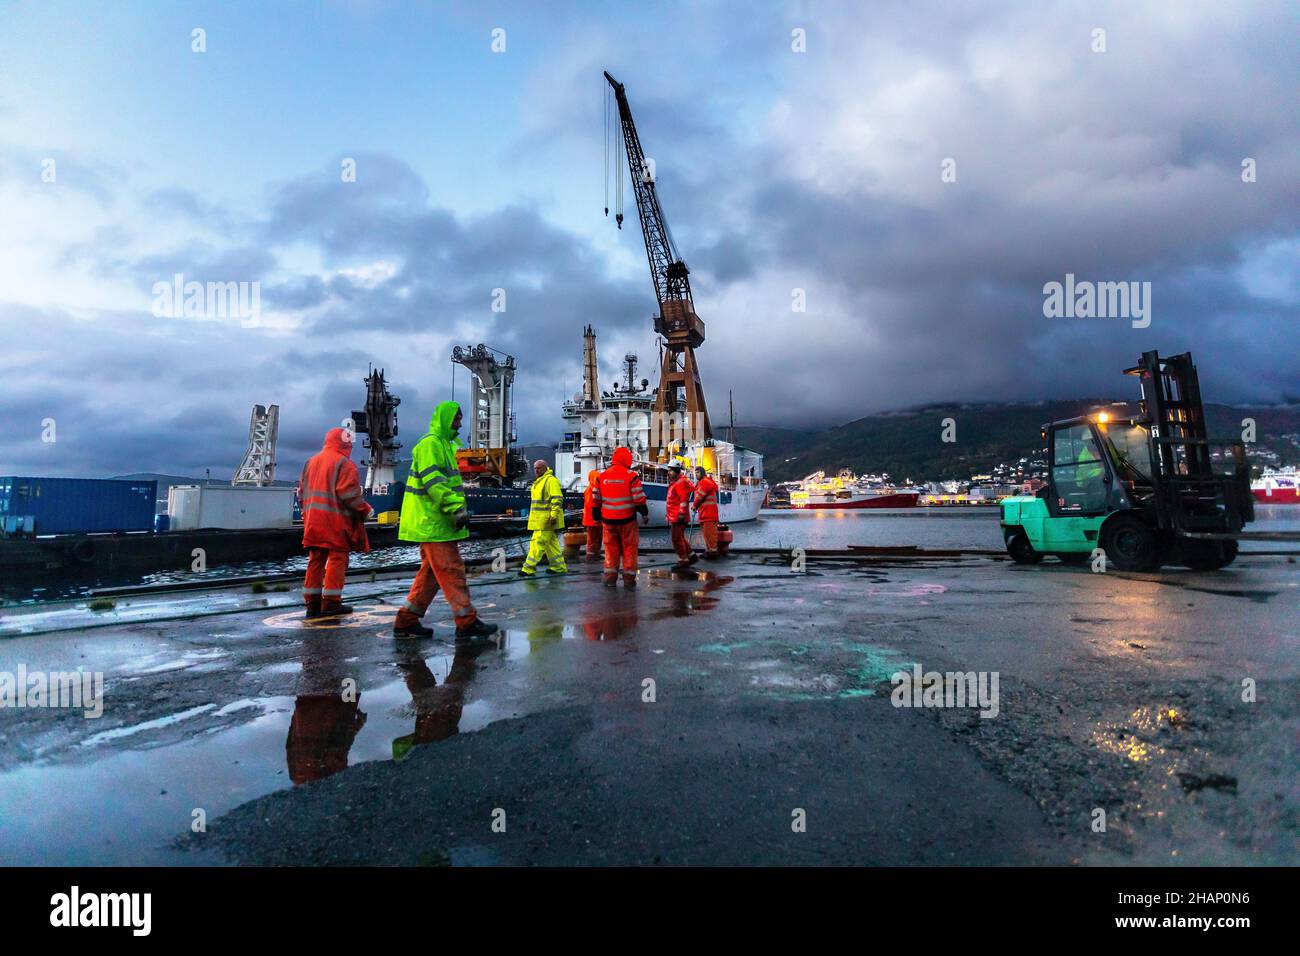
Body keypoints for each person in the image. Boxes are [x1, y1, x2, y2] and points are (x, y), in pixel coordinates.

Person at [392, 401, 498, 642]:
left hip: (437, 522)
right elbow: (434, 484)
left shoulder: (444, 446)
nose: (459, 424)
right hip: (434, 522)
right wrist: (455, 509)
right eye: (456, 419)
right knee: (452, 570)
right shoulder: (430, 445)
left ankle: (406, 621)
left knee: (430, 575)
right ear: (445, 419)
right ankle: (466, 622)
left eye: (460, 419)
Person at [299, 427, 373, 618]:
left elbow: (301, 493)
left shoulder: (310, 462)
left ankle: (312, 605)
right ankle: (331, 603)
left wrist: (305, 513)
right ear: (345, 443)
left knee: (315, 559)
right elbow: (349, 495)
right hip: (334, 522)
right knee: (337, 558)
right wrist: (366, 511)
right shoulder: (344, 464)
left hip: (312, 521)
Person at [592, 446, 648, 588]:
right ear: (627, 459)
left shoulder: (602, 476)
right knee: (629, 549)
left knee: (610, 550)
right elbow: (639, 498)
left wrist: (596, 515)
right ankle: (629, 580)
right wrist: (644, 514)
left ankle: (610, 578)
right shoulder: (631, 476)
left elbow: (595, 499)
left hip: (608, 521)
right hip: (628, 521)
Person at [520, 459, 567, 576]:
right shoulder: (539, 482)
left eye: (539, 468)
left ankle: (528, 568)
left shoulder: (550, 481)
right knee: (551, 545)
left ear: (545, 468)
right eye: (535, 468)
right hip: (539, 520)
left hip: (546, 520)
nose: (536, 470)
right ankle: (559, 567)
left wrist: (553, 515)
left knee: (537, 543)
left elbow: (557, 499)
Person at [665, 463, 697, 569]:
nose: (668, 472)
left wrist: (681, 513)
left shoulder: (679, 483)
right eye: (668, 470)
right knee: (680, 537)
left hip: (678, 516)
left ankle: (683, 560)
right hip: (676, 515)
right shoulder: (677, 482)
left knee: (676, 538)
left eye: (671, 470)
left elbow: (683, 500)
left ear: (677, 471)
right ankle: (691, 556)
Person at [693, 465, 720, 559]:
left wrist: (694, 506)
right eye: (695, 472)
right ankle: (709, 551)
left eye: (698, 472)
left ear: (702, 473)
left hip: (709, 513)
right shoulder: (702, 482)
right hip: (705, 513)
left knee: (710, 534)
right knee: (706, 534)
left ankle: (712, 552)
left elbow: (700, 496)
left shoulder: (705, 482)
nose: (696, 474)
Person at [582, 469, 602, 561]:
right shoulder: (595, 489)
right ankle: (591, 555)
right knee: (593, 537)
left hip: (589, 517)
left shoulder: (588, 489)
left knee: (595, 537)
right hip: (594, 517)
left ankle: (595, 554)